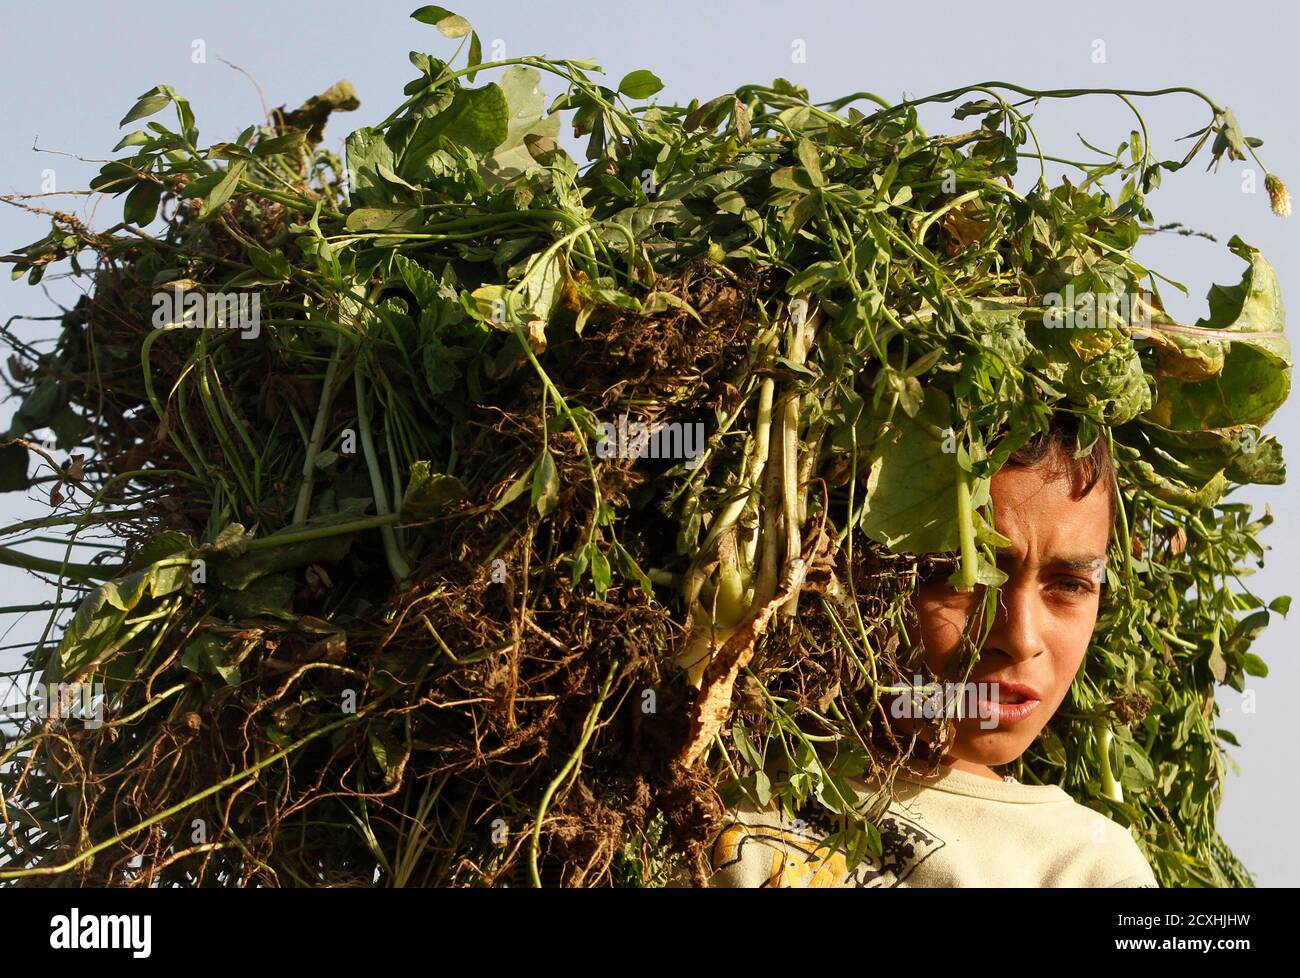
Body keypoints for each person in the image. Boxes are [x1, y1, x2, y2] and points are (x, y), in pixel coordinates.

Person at [698, 416, 1159, 887]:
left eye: (1069, 585)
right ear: (854, 571)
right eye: (963, 576)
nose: (1021, 638)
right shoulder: (705, 783)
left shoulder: (1086, 868)